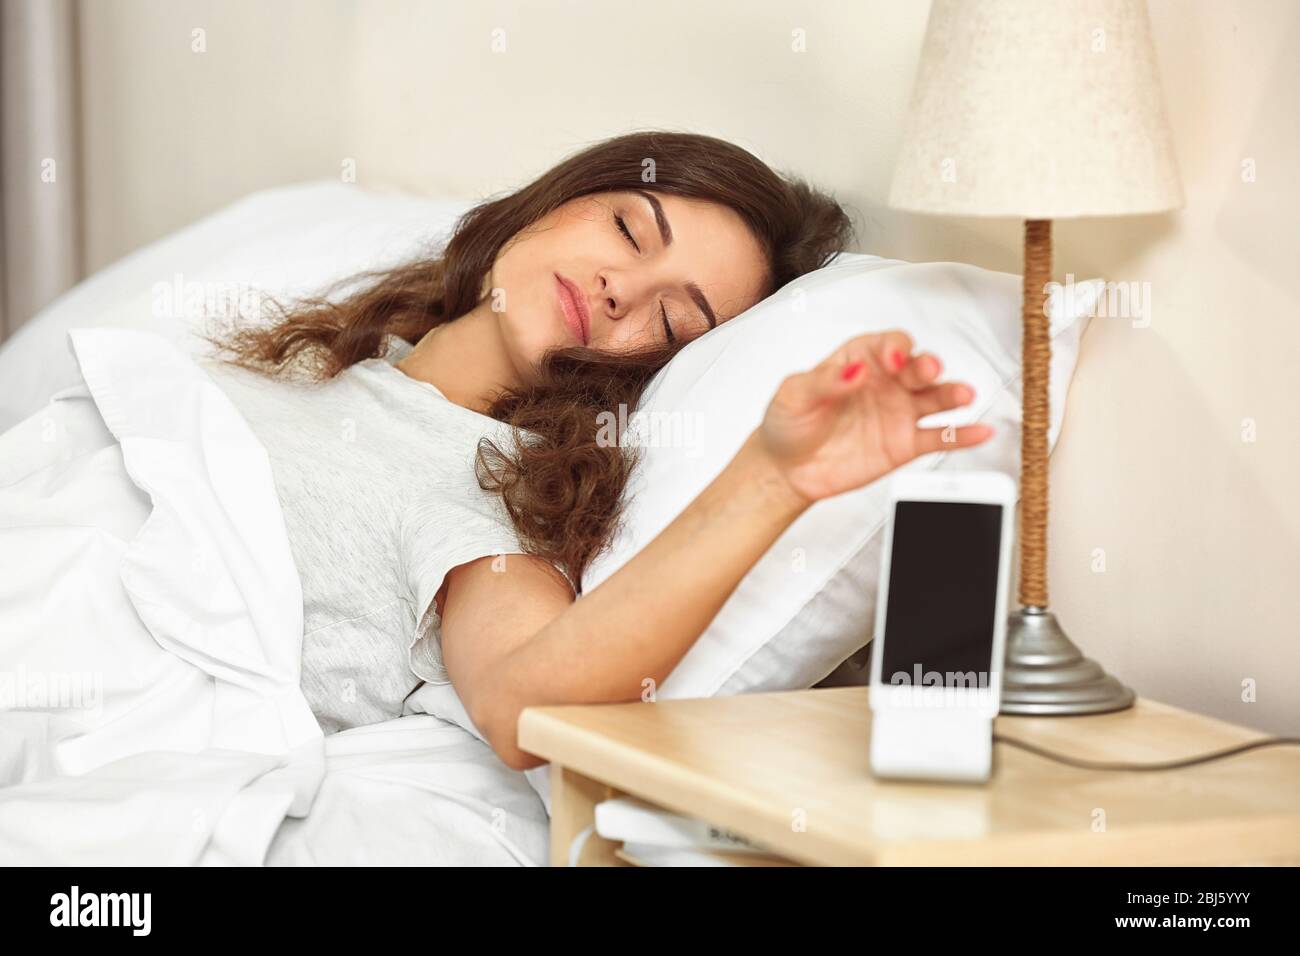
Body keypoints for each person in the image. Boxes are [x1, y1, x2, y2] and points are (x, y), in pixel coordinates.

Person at [199, 130, 992, 770]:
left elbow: (524, 705)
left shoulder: (486, 486)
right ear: (556, 199)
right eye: (627, 229)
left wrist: (773, 478)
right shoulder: (328, 354)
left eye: (674, 320)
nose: (623, 289)